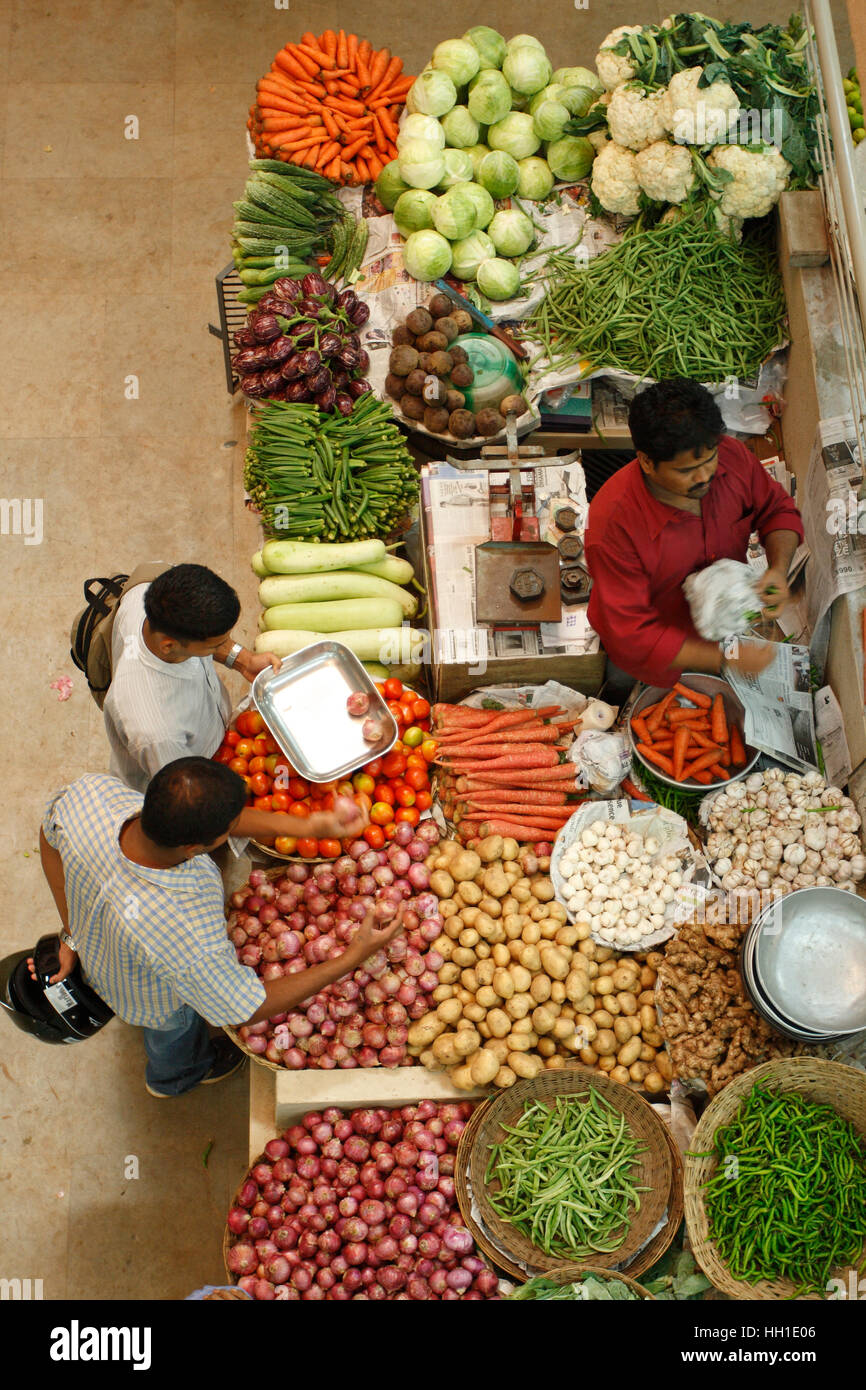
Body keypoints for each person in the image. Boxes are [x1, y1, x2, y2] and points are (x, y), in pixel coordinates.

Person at [35, 757, 390, 1099]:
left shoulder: (91, 796)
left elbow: (47, 835)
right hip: (149, 997)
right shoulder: (185, 928)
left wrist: (73, 934)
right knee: (172, 1032)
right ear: (195, 847)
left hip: (99, 950)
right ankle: (174, 1078)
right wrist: (353, 956)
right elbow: (246, 1008)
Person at [585, 379, 804, 691]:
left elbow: (777, 510)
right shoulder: (613, 527)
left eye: (709, 459)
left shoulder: (732, 457)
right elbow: (631, 632)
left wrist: (778, 570)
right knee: (623, 686)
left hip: (724, 625)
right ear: (647, 462)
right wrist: (724, 661)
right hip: (651, 656)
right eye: (686, 471)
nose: (705, 477)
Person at [103, 564, 282, 793]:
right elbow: (187, 798)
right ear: (169, 645)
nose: (224, 645)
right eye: (215, 645)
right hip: (181, 776)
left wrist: (243, 660)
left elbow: (207, 634)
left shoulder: (148, 593)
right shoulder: (157, 731)